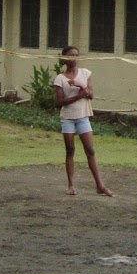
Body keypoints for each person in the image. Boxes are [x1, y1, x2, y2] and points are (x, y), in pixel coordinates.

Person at [53, 45, 111, 196]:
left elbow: (90, 94)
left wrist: (80, 85)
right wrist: (79, 95)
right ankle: (71, 185)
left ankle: (100, 185)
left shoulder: (85, 73)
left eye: (76, 55)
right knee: (70, 150)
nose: (74, 59)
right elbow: (59, 102)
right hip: (68, 118)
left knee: (90, 150)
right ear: (65, 58)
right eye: (71, 56)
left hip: (83, 117)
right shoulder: (60, 79)